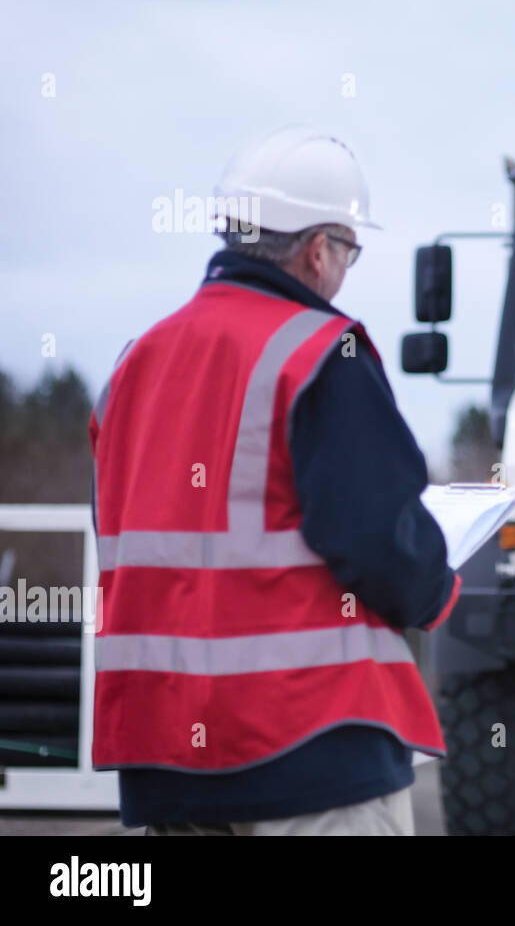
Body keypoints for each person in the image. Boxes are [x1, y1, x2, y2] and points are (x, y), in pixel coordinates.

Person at [88, 126, 459, 836]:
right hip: (311, 743)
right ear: (319, 249)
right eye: (349, 250)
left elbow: (123, 534)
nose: (345, 268)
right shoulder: (321, 352)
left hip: (163, 754)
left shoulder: (132, 366)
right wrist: (437, 588)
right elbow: (380, 542)